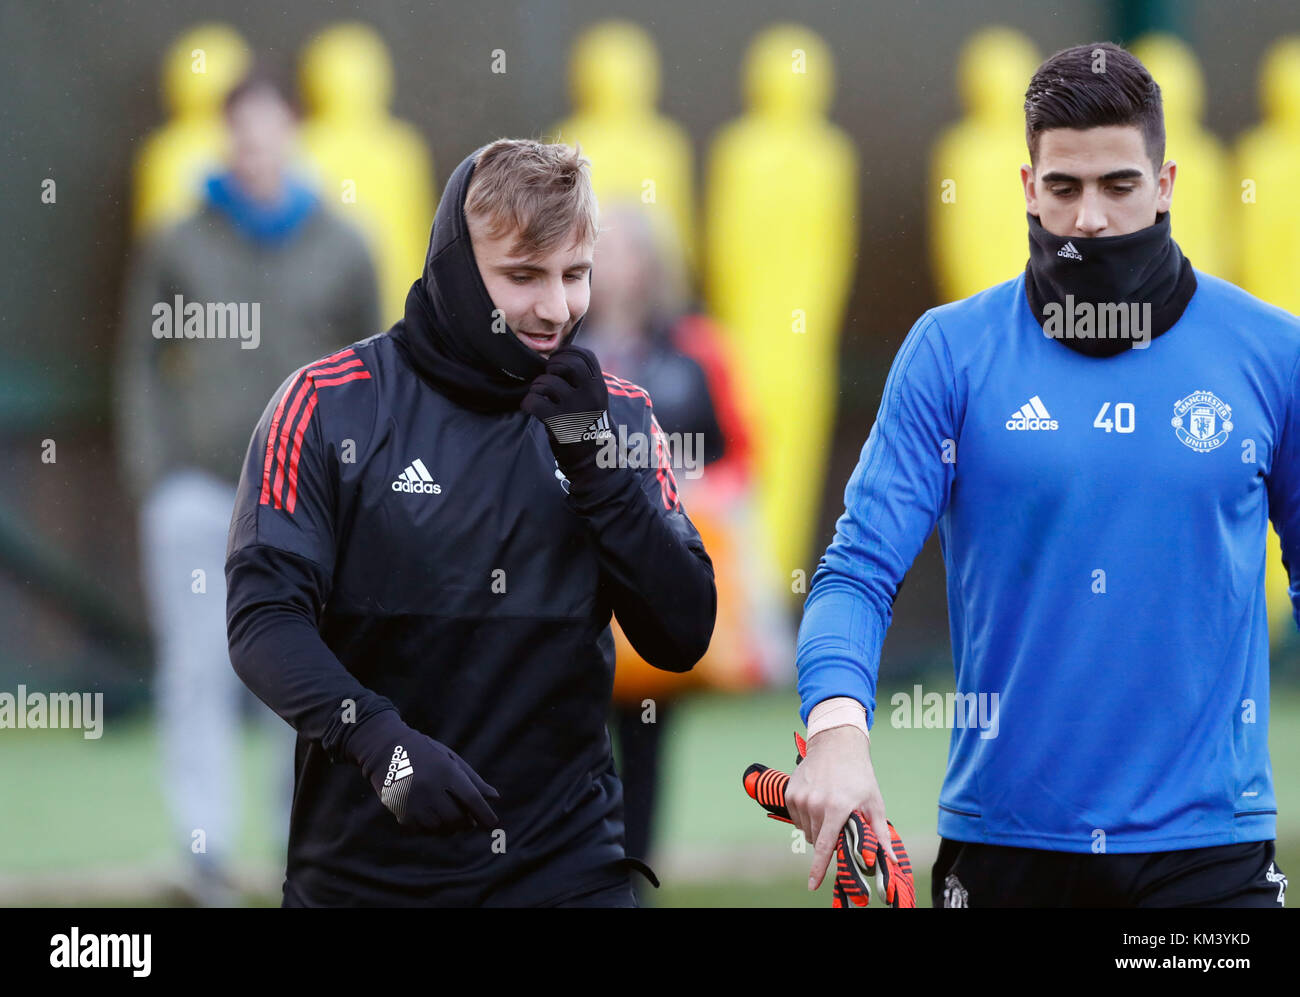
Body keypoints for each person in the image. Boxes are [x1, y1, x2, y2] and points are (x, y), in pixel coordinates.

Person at [787, 42, 1296, 908]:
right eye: (1063, 187)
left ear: (1167, 183)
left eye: (1118, 185)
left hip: (1210, 859)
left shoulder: (1271, 351)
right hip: (1006, 852)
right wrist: (836, 732)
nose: (1088, 217)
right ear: (1027, 187)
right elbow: (856, 571)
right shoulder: (949, 353)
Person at [224, 139, 717, 907]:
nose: (554, 309)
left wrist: (598, 473)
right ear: (457, 266)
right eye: (522, 276)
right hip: (363, 881)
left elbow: (682, 633)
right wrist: (381, 747)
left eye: (574, 275)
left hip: (569, 875)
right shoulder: (325, 404)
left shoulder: (619, 413)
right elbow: (262, 623)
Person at [115, 66, 380, 904]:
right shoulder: (177, 237)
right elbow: (142, 362)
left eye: (269, 132)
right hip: (196, 488)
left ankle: (298, 847)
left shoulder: (344, 242)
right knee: (196, 667)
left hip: (302, 497)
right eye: (242, 133)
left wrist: (354, 480)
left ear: (292, 133)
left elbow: (375, 371)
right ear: (226, 137)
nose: (256, 149)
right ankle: (203, 852)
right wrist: (157, 472)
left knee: (298, 671)